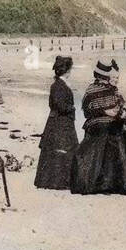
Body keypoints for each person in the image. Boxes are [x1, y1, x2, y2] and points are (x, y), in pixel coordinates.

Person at [70, 60, 126, 195]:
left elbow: (87, 112)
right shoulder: (109, 89)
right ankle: (113, 184)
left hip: (100, 126)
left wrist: (109, 112)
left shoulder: (94, 89)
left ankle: (99, 183)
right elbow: (118, 109)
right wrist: (109, 113)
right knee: (115, 143)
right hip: (107, 127)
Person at [34, 56, 77, 190]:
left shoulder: (57, 84)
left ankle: (53, 181)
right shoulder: (60, 85)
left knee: (55, 150)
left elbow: (51, 104)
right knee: (64, 149)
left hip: (55, 120)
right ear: (67, 71)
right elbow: (60, 105)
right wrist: (72, 108)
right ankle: (60, 182)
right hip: (61, 122)